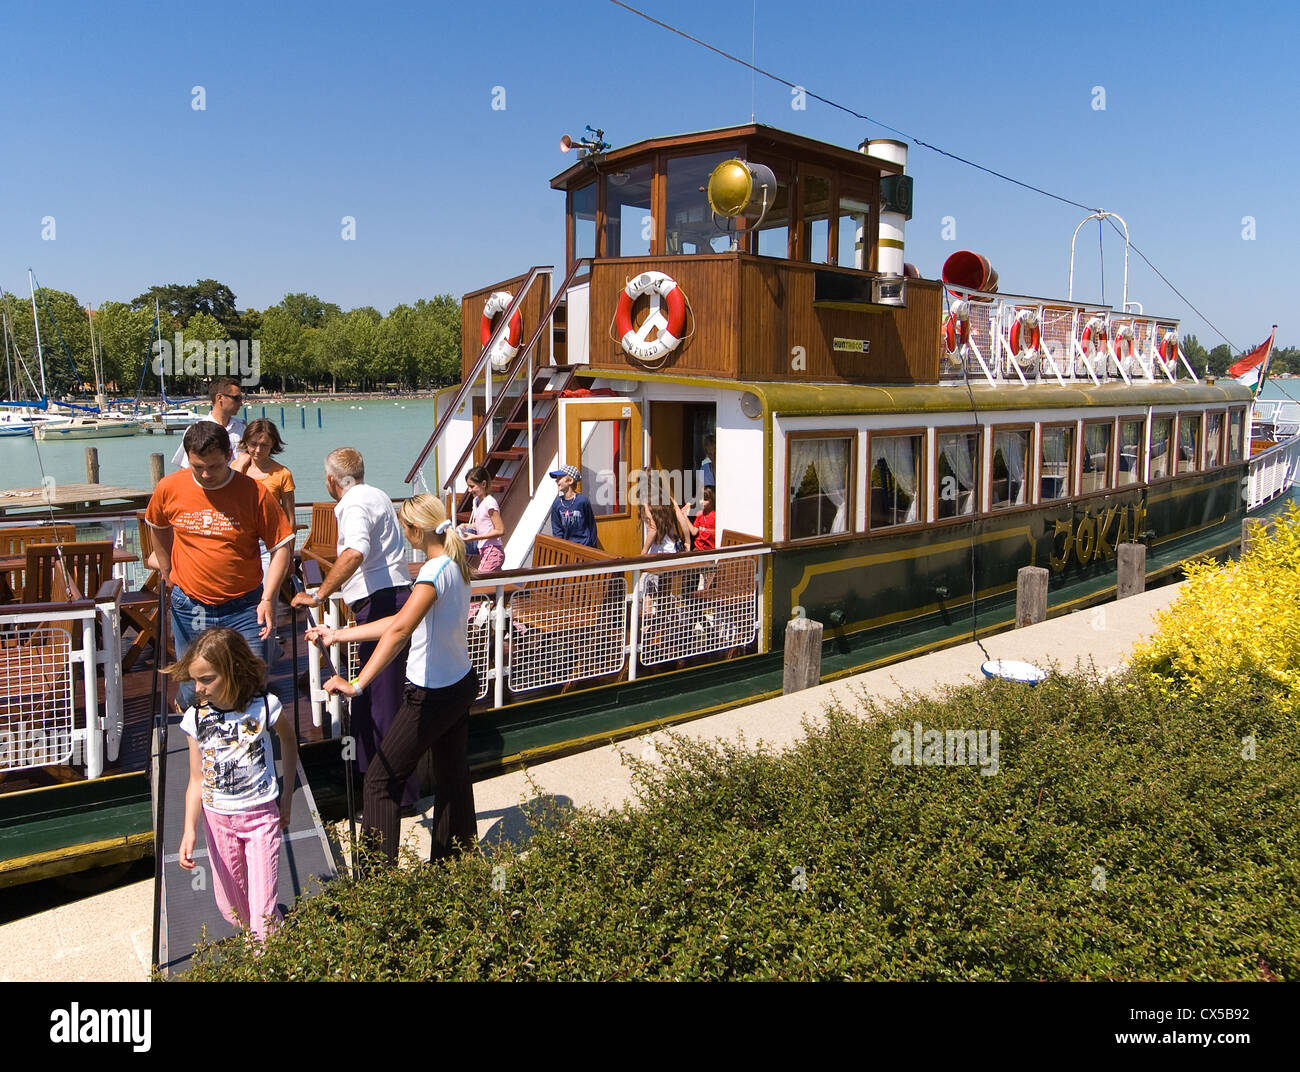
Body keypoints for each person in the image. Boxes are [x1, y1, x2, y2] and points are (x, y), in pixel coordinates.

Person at [309, 495, 477, 867]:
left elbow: (400, 630)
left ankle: (376, 885)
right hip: (460, 684)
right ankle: (455, 862)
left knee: (381, 781)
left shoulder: (433, 572)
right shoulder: (455, 563)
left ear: (416, 530)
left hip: (430, 694)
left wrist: (357, 684)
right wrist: (338, 635)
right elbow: (401, 620)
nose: (403, 535)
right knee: (453, 774)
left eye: (404, 528)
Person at [290, 448, 416, 804]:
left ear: (332, 479)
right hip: (384, 597)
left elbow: (355, 551)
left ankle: (395, 794)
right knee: (365, 697)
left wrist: (319, 595)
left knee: (381, 701)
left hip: (381, 603)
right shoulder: (376, 494)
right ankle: (365, 776)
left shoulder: (352, 504)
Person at [147, 422, 294, 705]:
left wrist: (267, 598)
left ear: (229, 455)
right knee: (194, 687)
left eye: (213, 466)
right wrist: (167, 571)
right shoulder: (169, 487)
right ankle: (198, 741)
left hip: (246, 607)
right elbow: (157, 524)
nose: (205, 475)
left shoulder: (254, 493)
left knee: (251, 684)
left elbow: (281, 547)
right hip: (190, 605)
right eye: (197, 466)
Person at [168, 626, 297, 944]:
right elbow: (196, 779)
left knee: (262, 919)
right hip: (218, 821)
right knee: (234, 910)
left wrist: (287, 798)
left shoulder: (265, 706)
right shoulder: (196, 719)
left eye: (207, 679)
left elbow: (290, 742)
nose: (199, 688)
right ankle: (266, 928)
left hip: (260, 818)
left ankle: (269, 953)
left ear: (233, 670)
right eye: (195, 680)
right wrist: (189, 829)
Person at [172, 376, 247, 469]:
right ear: (220, 398)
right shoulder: (195, 431)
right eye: (237, 398)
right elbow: (187, 468)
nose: (241, 403)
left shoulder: (243, 429)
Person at [457, 465, 505, 573]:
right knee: (489, 586)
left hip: (492, 550)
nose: (469, 490)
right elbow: (480, 524)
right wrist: (465, 525)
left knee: (481, 583)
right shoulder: (477, 501)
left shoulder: (490, 503)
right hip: (486, 550)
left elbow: (500, 530)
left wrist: (476, 537)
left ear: (483, 484)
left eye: (472, 486)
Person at [549, 464, 598, 547]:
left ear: (570, 481)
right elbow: (557, 530)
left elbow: (591, 526)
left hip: (585, 547)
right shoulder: (557, 503)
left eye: (560, 478)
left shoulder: (582, 501)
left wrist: (593, 548)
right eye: (556, 478)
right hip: (568, 549)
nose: (556, 481)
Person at [676, 484, 716, 552]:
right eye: (700, 499)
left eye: (705, 499)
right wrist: (685, 517)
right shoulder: (700, 514)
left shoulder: (716, 516)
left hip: (711, 550)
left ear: (713, 499)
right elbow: (694, 531)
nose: (701, 502)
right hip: (699, 548)